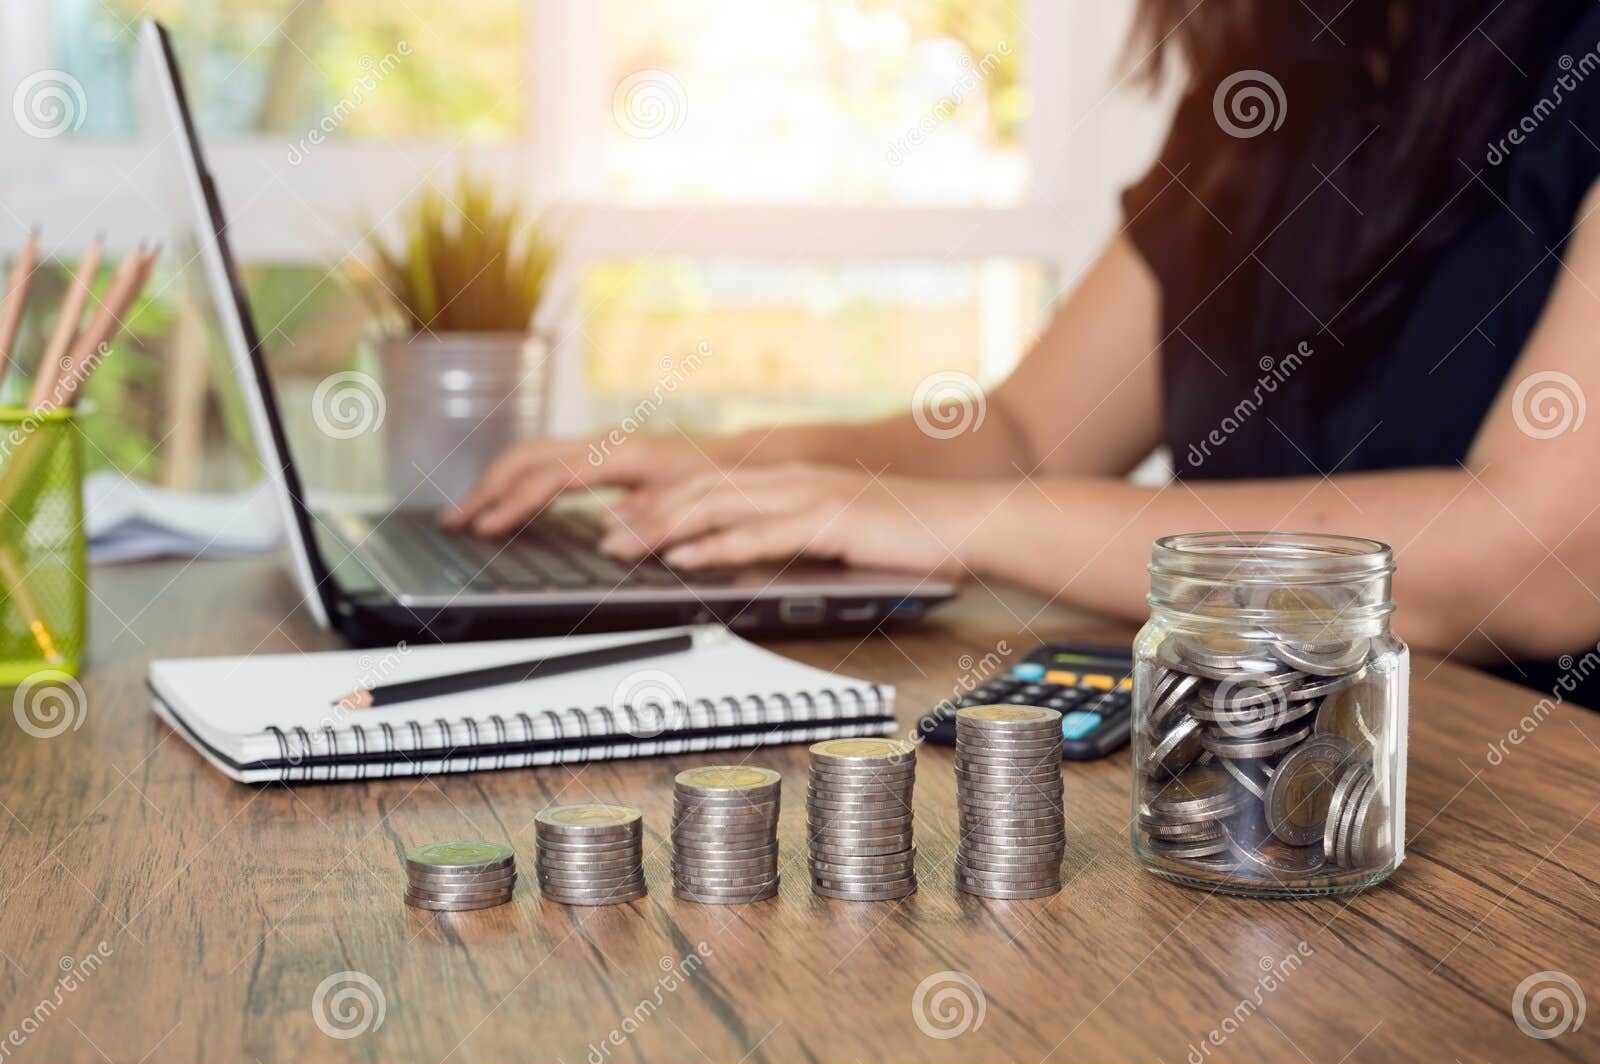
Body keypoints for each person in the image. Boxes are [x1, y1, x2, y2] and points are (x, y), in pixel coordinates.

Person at [446, 0, 1600, 687]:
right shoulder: (1277, 76)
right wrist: (748, 463)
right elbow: (1030, 429)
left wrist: (951, 522)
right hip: (1258, 783)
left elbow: (1535, 560)